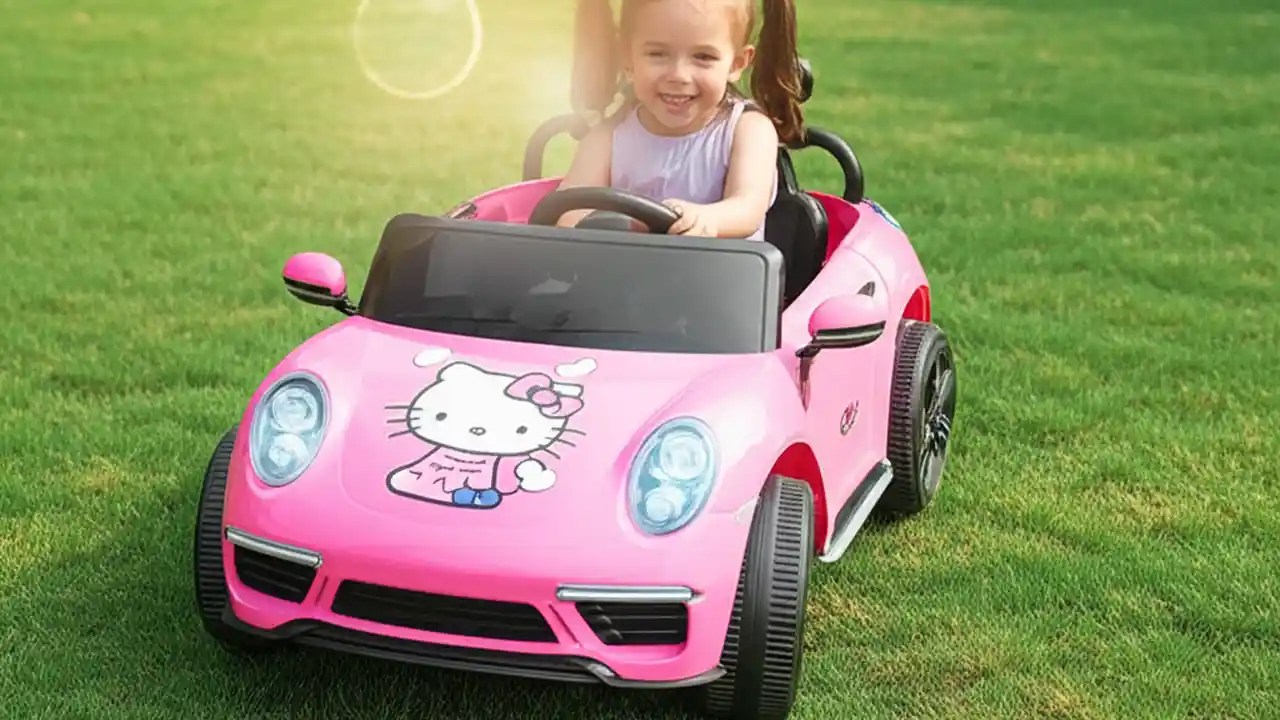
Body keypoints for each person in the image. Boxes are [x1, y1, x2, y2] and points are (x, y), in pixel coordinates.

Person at [557, 0, 805, 240]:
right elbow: (567, 212)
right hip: (625, 266)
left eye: (703, 57)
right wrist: (622, 225)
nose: (678, 75)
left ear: (736, 64)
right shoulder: (608, 137)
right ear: (627, 56)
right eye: (658, 54)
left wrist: (706, 219)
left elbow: (748, 208)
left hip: (721, 267)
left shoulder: (748, 131)